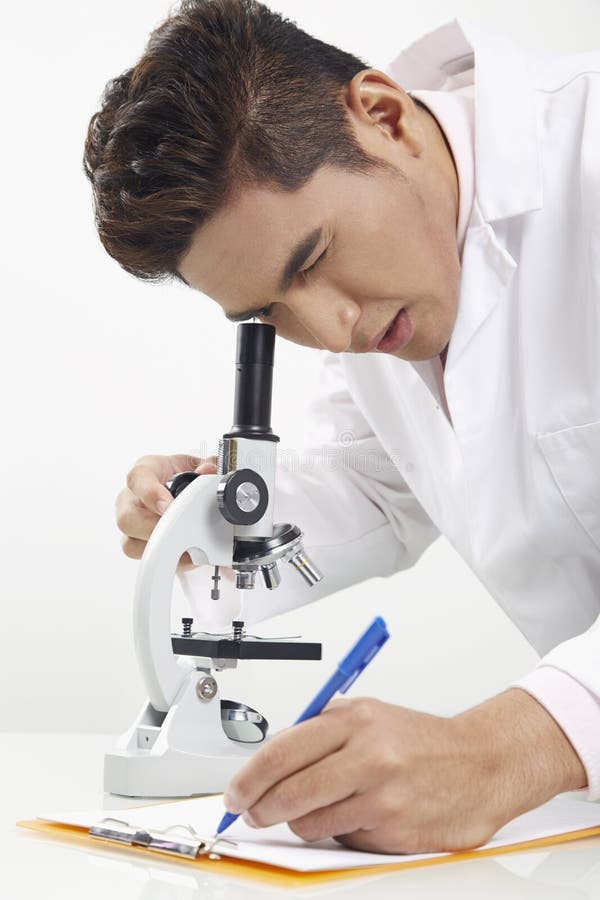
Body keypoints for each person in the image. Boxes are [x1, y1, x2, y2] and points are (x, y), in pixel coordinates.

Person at [84, 0, 600, 853]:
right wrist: (214, 526)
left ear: (384, 116)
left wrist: (506, 748)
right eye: (269, 311)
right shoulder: (386, 290)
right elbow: (374, 483)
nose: (333, 330)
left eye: (315, 258)